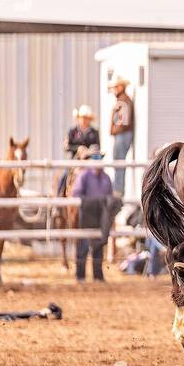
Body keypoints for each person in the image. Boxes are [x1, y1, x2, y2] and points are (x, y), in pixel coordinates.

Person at [71, 151, 114, 281]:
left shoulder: (106, 177)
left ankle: (98, 276)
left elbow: (110, 196)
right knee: (83, 245)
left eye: (100, 157)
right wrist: (90, 203)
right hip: (87, 213)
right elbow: (76, 193)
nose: (98, 160)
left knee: (99, 245)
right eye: (95, 157)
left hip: (101, 215)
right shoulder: (83, 175)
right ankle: (80, 276)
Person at [58, 105, 100, 195]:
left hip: (89, 161)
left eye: (87, 118)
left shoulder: (94, 132)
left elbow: (97, 148)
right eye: (82, 118)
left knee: (100, 176)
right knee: (64, 176)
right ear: (79, 118)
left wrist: (88, 152)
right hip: (75, 161)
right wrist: (78, 149)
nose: (84, 120)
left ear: (90, 119)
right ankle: (58, 201)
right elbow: (66, 146)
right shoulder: (72, 131)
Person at [108, 78, 135, 196]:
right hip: (122, 135)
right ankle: (118, 188)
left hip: (122, 135)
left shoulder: (123, 102)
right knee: (118, 161)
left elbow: (124, 122)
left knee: (119, 161)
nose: (114, 90)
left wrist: (113, 130)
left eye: (116, 87)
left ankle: (118, 189)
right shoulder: (123, 100)